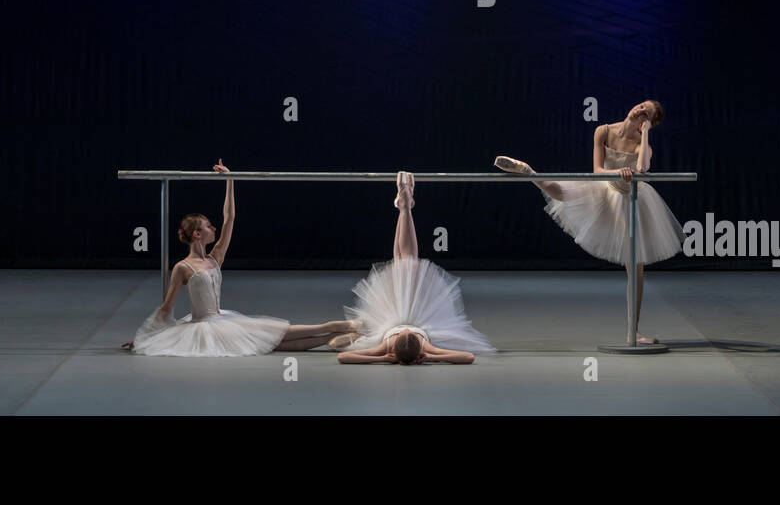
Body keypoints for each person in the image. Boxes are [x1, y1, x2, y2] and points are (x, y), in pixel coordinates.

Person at [494, 100, 683, 343]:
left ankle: (633, 331)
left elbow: (643, 168)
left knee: (635, 267)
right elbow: (596, 170)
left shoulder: (642, 144)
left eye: (647, 113)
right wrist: (618, 172)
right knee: (561, 193)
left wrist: (645, 133)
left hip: (631, 199)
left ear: (648, 123)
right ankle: (530, 172)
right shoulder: (603, 131)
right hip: (605, 190)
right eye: (641, 106)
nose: (640, 110)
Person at [126, 161, 357, 356]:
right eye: (208, 226)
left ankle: (333, 327)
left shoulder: (215, 257)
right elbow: (167, 308)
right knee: (275, 344)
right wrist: (148, 339)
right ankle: (331, 337)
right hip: (205, 327)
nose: (213, 228)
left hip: (224, 320)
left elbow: (229, 219)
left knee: (273, 334)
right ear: (197, 234)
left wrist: (230, 180)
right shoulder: (182, 268)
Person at [335, 172, 494, 365]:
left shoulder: (399, 346)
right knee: (403, 260)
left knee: (404, 260)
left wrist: (387, 356)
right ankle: (405, 208)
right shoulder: (404, 345)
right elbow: (468, 357)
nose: (406, 330)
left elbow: (343, 357)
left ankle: (405, 208)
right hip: (406, 315)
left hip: (409, 315)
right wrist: (429, 356)